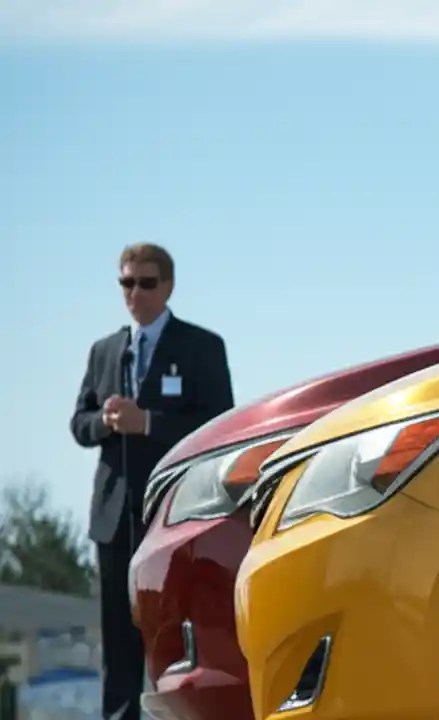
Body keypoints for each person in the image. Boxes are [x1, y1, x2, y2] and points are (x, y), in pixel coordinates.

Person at [69, 243, 234, 720]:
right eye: (126, 282)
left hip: (173, 515)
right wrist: (104, 421)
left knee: (177, 640)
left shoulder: (201, 347)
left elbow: (218, 425)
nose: (134, 293)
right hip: (113, 520)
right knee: (118, 647)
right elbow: (78, 424)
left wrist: (149, 423)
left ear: (168, 286)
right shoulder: (105, 352)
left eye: (145, 282)